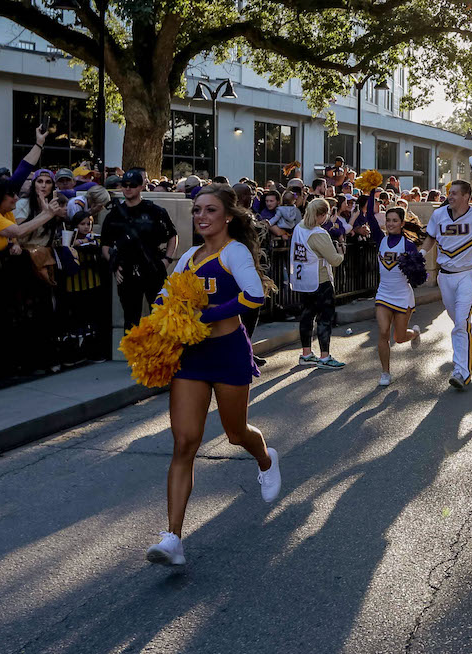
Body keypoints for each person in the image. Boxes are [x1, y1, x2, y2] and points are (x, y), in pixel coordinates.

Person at [145, 184, 280, 567]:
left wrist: (203, 315)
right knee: (185, 443)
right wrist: (161, 314)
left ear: (228, 216)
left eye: (209, 210)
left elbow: (253, 297)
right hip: (192, 356)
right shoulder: (189, 255)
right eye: (197, 210)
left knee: (236, 432)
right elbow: (165, 294)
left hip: (227, 352)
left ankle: (266, 459)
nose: (201, 217)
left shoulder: (233, 253)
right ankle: (173, 538)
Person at [423, 180, 472, 390]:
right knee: (459, 323)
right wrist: (419, 255)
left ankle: (461, 371)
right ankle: (467, 348)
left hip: (468, 274)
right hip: (445, 277)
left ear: (466, 197)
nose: (449, 196)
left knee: (461, 323)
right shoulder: (439, 215)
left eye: (454, 193)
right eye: (449, 193)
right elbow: (430, 239)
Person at [100, 170, 179, 330]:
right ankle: (133, 353)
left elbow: (172, 235)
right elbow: (105, 246)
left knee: (160, 316)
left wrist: (167, 260)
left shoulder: (155, 211)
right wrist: (115, 265)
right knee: (131, 319)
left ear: (141, 187)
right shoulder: (113, 215)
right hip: (127, 271)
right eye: (125, 185)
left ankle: (160, 353)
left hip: (153, 267)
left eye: (133, 185)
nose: (128, 189)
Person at [361, 190, 422, 383]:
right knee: (384, 332)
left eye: (395, 220)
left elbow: (418, 272)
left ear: (402, 223)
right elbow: (369, 216)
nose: (390, 223)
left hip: (403, 295)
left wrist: (414, 268)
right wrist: (371, 192)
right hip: (384, 294)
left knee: (400, 337)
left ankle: (415, 333)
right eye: (388, 220)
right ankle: (385, 373)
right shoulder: (381, 239)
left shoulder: (408, 245)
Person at [290, 197, 347, 371]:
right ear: (321, 215)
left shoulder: (298, 228)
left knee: (307, 317)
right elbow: (334, 260)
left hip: (303, 281)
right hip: (320, 281)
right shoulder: (319, 234)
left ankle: (306, 354)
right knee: (325, 318)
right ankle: (325, 356)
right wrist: (342, 251)